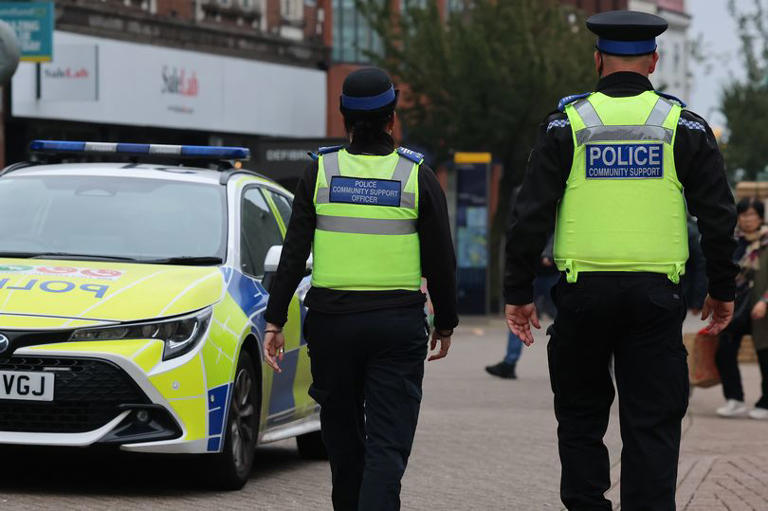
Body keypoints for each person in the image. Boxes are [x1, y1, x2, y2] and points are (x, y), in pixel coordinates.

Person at [504, 10, 737, 511]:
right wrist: (721, 289)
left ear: (597, 60)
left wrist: (518, 293)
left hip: (582, 296)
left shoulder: (565, 125)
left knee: (580, 418)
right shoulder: (685, 127)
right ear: (654, 60)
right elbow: (719, 217)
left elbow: (529, 216)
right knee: (652, 423)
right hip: (656, 299)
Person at [262, 67, 458, 511]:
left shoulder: (320, 171)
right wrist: (445, 322)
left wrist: (275, 320)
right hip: (396, 327)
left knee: (344, 446)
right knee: (387, 446)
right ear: (392, 118)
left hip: (332, 326)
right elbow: (441, 260)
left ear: (344, 118)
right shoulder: (416, 175)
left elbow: (293, 253)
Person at [715, 198, 768, 420]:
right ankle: (734, 399)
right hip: (736, 307)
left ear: (760, 217)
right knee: (724, 352)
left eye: (752, 214)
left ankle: (766, 403)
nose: (747, 219)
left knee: (765, 356)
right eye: (743, 215)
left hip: (761, 309)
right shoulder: (733, 242)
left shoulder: (766, 241)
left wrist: (765, 301)